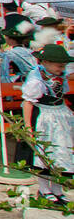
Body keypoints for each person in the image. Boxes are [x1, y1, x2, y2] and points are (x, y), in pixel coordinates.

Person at [21, 44, 74, 206]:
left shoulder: (60, 76)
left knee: (61, 153)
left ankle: (58, 190)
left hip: (60, 115)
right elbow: (28, 103)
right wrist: (28, 127)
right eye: (59, 66)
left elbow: (62, 94)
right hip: (44, 117)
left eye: (64, 66)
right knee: (45, 153)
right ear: (45, 62)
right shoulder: (37, 79)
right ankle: (44, 189)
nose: (62, 69)